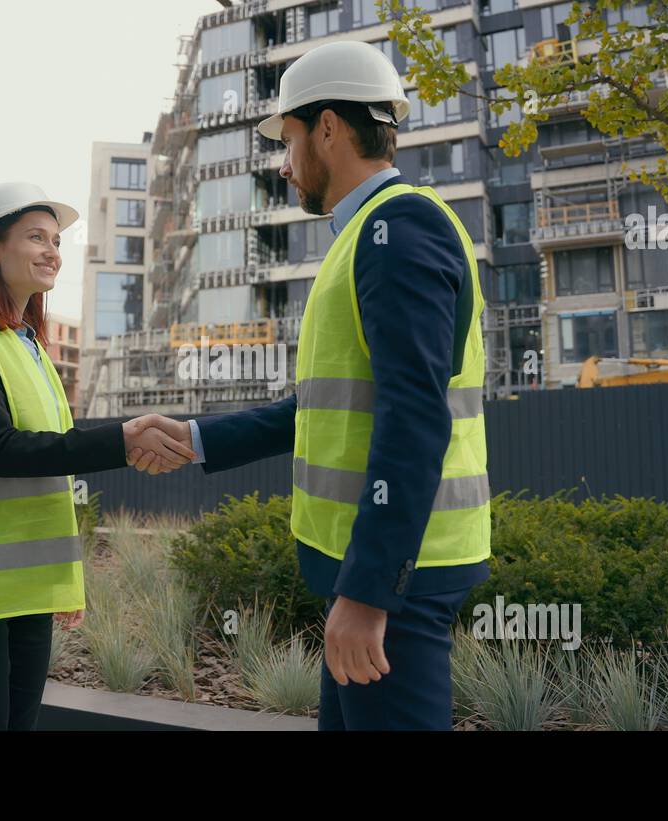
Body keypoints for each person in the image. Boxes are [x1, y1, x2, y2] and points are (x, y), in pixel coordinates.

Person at [128, 41, 492, 730]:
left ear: (329, 127)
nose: (285, 164)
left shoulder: (398, 230)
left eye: (290, 140)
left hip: (396, 576)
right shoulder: (366, 236)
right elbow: (328, 408)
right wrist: (198, 437)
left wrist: (370, 590)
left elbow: (413, 414)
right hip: (367, 569)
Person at [0, 182, 194, 730]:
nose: (52, 251)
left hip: (28, 596)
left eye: (56, 241)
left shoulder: (31, 346)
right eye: (35, 237)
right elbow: (2, 451)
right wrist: (122, 438)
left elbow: (50, 465)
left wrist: (63, 585)